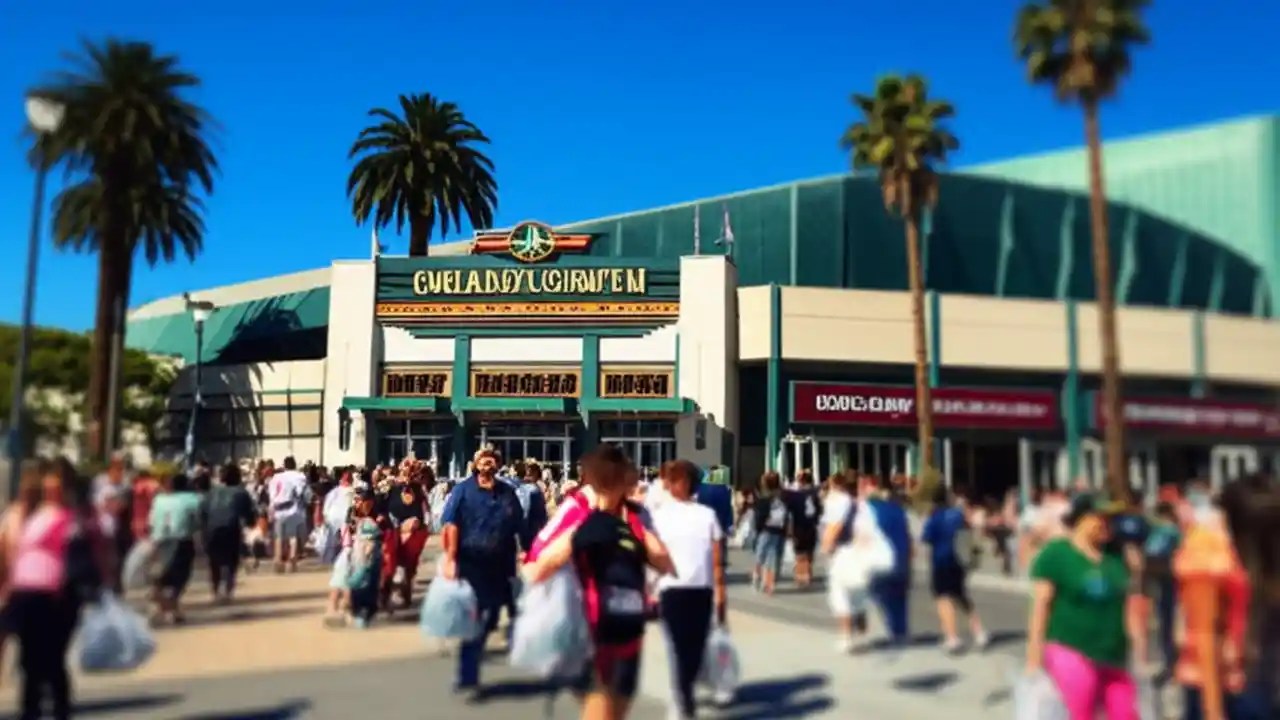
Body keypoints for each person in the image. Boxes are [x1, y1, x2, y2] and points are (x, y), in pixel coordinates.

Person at [523, 445, 676, 720]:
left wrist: (637, 537)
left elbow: (665, 563)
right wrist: (574, 540)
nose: (634, 480)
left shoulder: (634, 515)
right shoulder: (578, 511)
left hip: (629, 631)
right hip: (590, 635)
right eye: (627, 474)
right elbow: (534, 568)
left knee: (617, 711)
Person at [2, 459, 106, 720]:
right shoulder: (29, 515)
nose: (51, 491)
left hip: (58, 597)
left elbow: (94, 555)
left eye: (57, 486)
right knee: (29, 662)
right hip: (26, 593)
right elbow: (13, 552)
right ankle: (31, 712)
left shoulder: (77, 519)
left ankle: (59, 711)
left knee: (51, 660)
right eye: (48, 486)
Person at [1025, 493, 1144, 720]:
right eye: (1101, 518)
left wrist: (1138, 648)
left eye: (1111, 519)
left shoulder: (1116, 556)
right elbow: (1040, 607)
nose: (1108, 525)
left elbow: (1129, 602)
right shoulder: (1057, 553)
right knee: (1082, 704)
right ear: (1081, 519)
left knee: (1126, 713)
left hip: (1112, 654)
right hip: (1070, 648)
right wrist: (1033, 657)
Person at [1175, 474, 1276, 720]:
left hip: (1261, 676)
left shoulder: (1260, 549)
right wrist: (1214, 712)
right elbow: (1204, 638)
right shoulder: (1208, 553)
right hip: (1222, 688)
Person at [439, 447, 532, 694]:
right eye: (484, 461)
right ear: (476, 464)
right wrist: (449, 558)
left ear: (498, 466)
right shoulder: (462, 490)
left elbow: (519, 526)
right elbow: (449, 524)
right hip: (471, 562)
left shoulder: (507, 493)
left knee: (491, 616)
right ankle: (467, 673)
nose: (488, 465)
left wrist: (527, 551)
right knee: (476, 614)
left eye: (493, 461)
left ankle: (474, 649)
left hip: (501, 563)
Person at [651, 459, 728, 717]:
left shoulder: (706, 516)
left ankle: (685, 689)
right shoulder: (659, 517)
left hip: (701, 589)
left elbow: (717, 560)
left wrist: (721, 595)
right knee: (678, 647)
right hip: (672, 589)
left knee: (695, 648)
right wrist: (649, 587)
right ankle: (682, 698)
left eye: (684, 479)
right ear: (669, 484)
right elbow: (651, 555)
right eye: (675, 480)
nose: (679, 485)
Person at [920, 485, 989, 653]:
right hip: (959, 560)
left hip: (941, 560)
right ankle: (979, 631)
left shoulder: (935, 517)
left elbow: (926, 538)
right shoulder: (958, 514)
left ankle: (951, 637)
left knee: (944, 599)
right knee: (961, 596)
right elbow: (971, 528)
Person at [821, 470, 870, 654]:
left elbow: (835, 526)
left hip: (845, 550)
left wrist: (827, 545)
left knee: (841, 594)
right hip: (861, 552)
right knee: (857, 591)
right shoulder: (864, 504)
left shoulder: (841, 502)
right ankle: (860, 620)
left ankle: (846, 636)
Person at [862, 474, 913, 646]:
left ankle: (881, 634)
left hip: (879, 560)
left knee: (876, 597)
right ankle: (900, 632)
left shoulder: (869, 509)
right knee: (898, 598)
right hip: (900, 557)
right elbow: (907, 535)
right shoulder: (898, 509)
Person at [148, 473, 203, 625]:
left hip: (158, 539)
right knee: (180, 577)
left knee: (163, 574)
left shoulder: (158, 500)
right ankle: (169, 606)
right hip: (181, 540)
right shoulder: (192, 499)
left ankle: (169, 608)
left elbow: (151, 521)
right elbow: (198, 520)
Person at [201, 464, 257, 604]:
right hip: (231, 529)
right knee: (231, 562)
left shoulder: (211, 492)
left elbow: (203, 511)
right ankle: (227, 590)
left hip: (211, 529)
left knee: (214, 562)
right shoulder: (241, 492)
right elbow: (249, 515)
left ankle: (215, 591)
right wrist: (250, 524)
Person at [267, 456, 311, 573]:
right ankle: (292, 559)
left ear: (284, 465)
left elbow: (272, 494)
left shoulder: (276, 477)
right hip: (294, 509)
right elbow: (303, 493)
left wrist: (271, 508)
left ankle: (278, 559)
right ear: (294, 465)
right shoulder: (300, 476)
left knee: (279, 536)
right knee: (293, 535)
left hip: (278, 509)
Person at [751, 471, 790, 594]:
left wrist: (757, 529)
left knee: (761, 555)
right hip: (778, 529)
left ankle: (758, 576)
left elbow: (759, 516)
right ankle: (769, 583)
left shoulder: (763, 497)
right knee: (773, 557)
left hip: (765, 530)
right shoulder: (784, 496)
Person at [785, 470, 822, 588]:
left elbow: (789, 511)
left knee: (800, 552)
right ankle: (807, 573)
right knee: (809, 551)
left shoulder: (794, 495)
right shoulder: (815, 493)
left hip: (798, 525)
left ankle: (800, 575)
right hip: (811, 525)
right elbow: (819, 510)